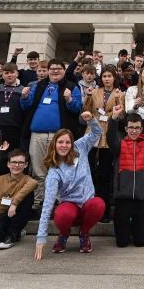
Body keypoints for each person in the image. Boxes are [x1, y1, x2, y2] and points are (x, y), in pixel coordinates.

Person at [34, 111, 105, 259]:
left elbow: (97, 132)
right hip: (69, 208)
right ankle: (64, 235)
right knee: (62, 213)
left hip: (87, 205)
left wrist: (91, 120)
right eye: (60, 142)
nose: (64, 145)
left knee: (98, 204)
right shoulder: (54, 171)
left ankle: (84, 234)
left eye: (67, 142)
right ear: (55, 144)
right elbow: (47, 204)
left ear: (72, 143)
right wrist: (41, 237)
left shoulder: (80, 147)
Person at [21, 58, 83, 213]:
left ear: (64, 70)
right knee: (38, 170)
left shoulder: (71, 86)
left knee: (60, 170)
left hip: (60, 136)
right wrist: (23, 97)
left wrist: (69, 99)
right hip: (37, 134)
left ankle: (57, 201)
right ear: (47, 71)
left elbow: (77, 109)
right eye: (52, 68)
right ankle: (38, 201)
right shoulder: (37, 86)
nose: (55, 71)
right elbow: (26, 106)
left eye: (59, 68)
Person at [108, 108, 144, 247]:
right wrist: (114, 119)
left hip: (141, 199)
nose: (134, 131)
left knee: (140, 242)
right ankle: (124, 233)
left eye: (137, 128)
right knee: (121, 243)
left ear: (141, 129)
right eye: (131, 128)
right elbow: (110, 138)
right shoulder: (120, 144)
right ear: (126, 129)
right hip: (122, 199)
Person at [82, 66, 124, 222]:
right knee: (89, 171)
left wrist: (119, 99)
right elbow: (85, 111)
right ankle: (88, 207)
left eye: (110, 76)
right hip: (92, 131)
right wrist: (87, 97)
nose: (107, 79)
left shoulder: (119, 93)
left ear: (114, 78)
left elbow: (122, 115)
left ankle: (104, 210)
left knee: (105, 174)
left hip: (109, 133)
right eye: (105, 76)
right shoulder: (95, 91)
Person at [0, 149, 38, 249]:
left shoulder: (27, 180)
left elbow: (34, 183)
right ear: (8, 164)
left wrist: (14, 203)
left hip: (16, 215)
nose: (17, 165)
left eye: (21, 162)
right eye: (14, 162)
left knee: (29, 195)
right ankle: (16, 232)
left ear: (25, 165)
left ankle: (12, 234)